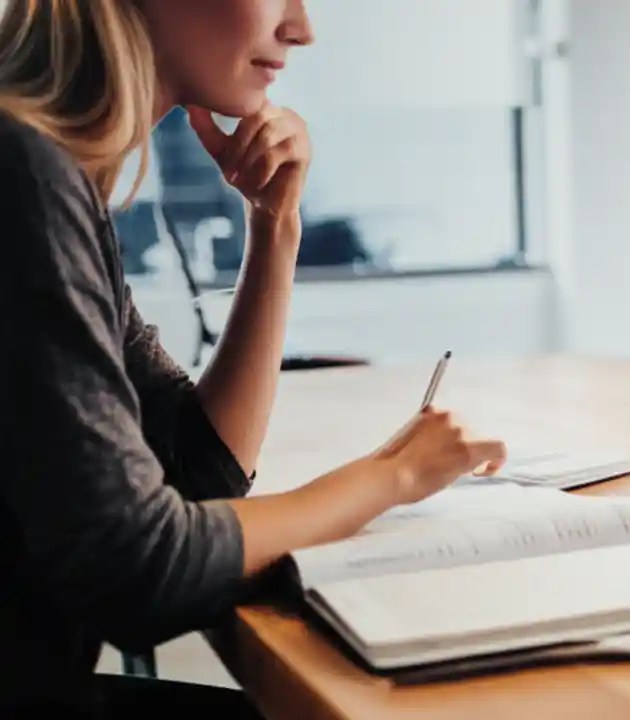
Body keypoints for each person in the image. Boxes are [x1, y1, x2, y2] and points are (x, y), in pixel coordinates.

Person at [0, 1, 507, 717]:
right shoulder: (25, 175)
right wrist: (390, 476)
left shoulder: (55, 173)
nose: (302, 28)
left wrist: (275, 227)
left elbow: (200, 473)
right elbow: (138, 574)